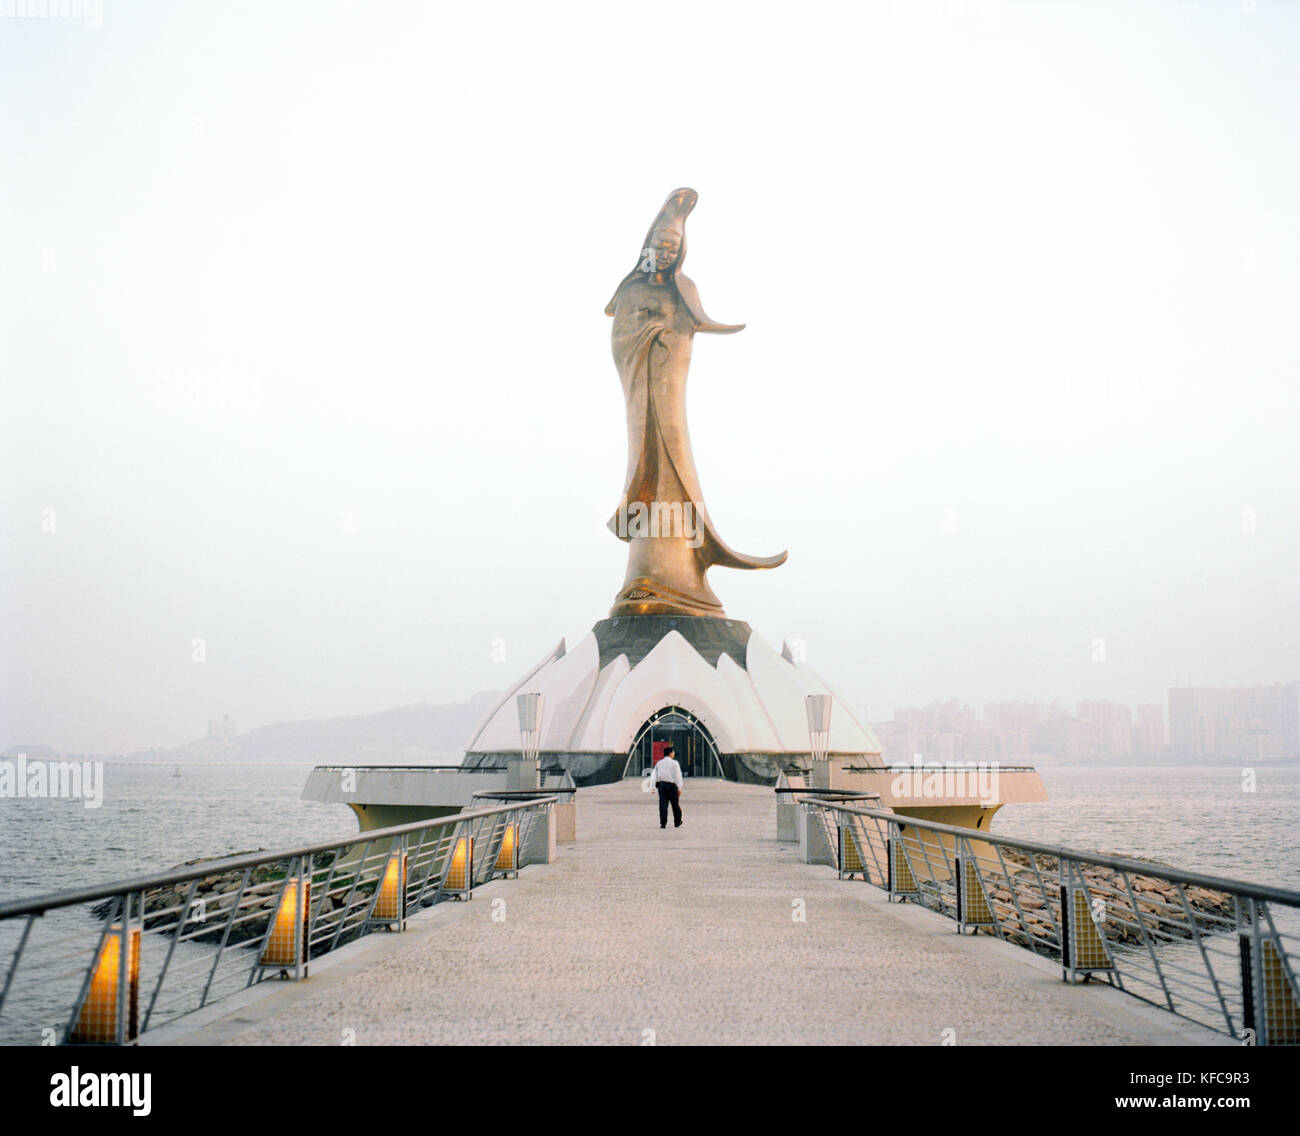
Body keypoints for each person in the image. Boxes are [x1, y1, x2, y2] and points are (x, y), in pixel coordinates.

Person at [652, 745, 684, 828]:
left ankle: (663, 823)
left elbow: (655, 775)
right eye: (673, 752)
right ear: (670, 753)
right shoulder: (675, 763)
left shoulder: (659, 763)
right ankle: (677, 821)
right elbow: (678, 776)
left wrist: (654, 785)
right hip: (671, 786)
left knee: (663, 805)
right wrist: (679, 788)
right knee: (675, 804)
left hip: (662, 785)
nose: (673, 754)